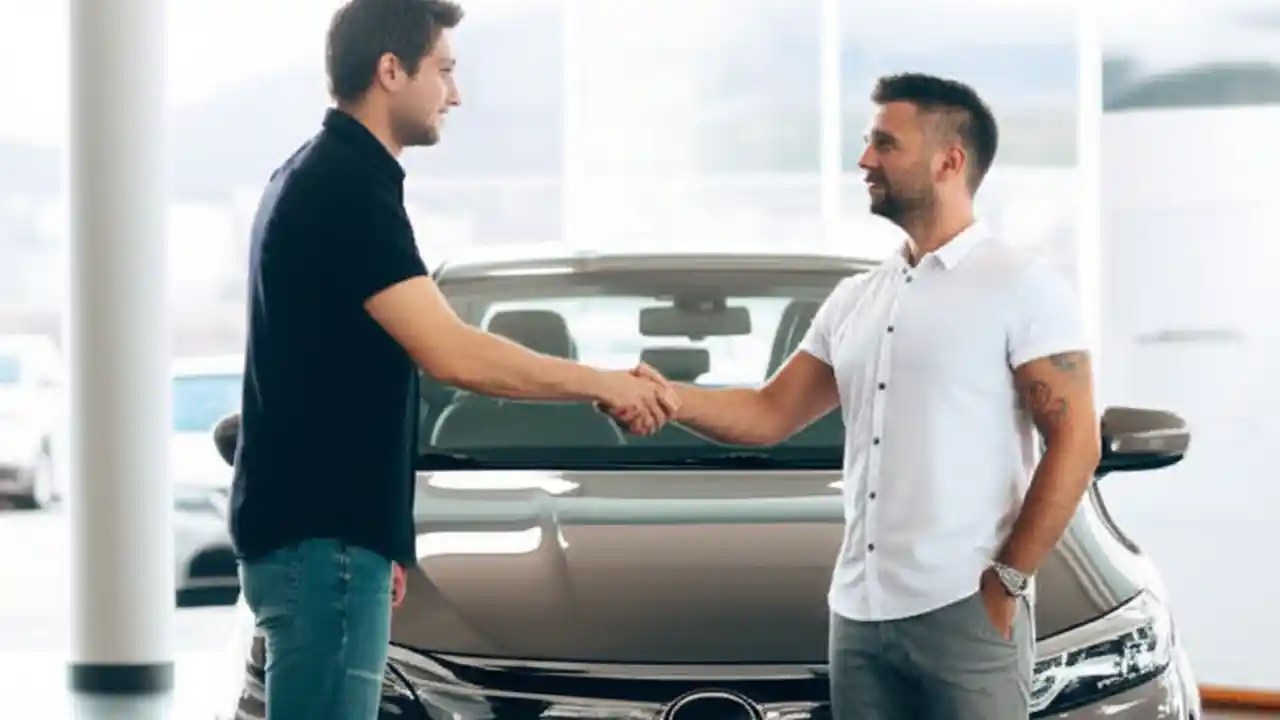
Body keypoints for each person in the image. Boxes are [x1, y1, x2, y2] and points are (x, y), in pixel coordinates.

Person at [228, 1, 677, 718]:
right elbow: (450, 351)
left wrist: (384, 540)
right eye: (444, 70)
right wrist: (602, 382)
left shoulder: (314, 173)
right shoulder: (344, 186)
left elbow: (340, 371)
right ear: (389, 70)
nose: (455, 94)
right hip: (325, 547)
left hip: (331, 544)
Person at [609, 73, 1101, 719]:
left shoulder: (1021, 285)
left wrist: (1009, 580)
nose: (865, 161)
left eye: (884, 144)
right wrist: (666, 396)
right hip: (859, 613)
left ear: (949, 159)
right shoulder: (856, 298)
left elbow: (1076, 439)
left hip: (964, 607)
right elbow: (768, 413)